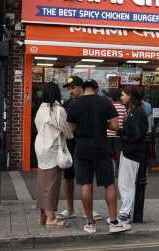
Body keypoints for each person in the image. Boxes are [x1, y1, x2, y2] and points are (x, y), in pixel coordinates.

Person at [66, 79, 130, 234]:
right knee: (109, 184)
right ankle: (114, 222)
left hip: (82, 148)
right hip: (102, 146)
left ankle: (90, 224)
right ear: (97, 88)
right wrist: (104, 124)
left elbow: (71, 130)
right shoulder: (105, 102)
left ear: (83, 88)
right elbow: (115, 126)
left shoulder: (74, 104)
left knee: (86, 184)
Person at [57, 76, 102, 222]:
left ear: (80, 87)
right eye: (69, 88)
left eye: (72, 88)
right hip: (70, 145)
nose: (70, 91)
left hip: (84, 144)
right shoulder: (68, 104)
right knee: (69, 178)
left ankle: (88, 210)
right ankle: (70, 209)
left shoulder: (90, 103)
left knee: (86, 180)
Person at [34, 82, 72, 229]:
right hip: (53, 149)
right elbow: (67, 132)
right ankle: (51, 219)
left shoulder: (40, 110)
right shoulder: (59, 110)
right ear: (57, 94)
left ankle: (42, 216)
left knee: (42, 183)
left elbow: (38, 126)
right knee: (52, 184)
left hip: (40, 147)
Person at [116, 87, 149, 226]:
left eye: (123, 95)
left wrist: (121, 132)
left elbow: (136, 134)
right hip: (129, 151)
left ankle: (125, 214)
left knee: (126, 184)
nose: (121, 97)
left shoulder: (137, 113)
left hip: (133, 152)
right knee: (123, 183)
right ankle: (125, 212)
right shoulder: (133, 111)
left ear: (130, 96)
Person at [104, 89, 127, 175]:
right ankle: (118, 170)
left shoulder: (108, 107)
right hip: (119, 134)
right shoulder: (123, 107)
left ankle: (110, 170)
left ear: (111, 98)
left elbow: (106, 120)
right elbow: (125, 120)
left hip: (108, 134)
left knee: (108, 154)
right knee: (119, 154)